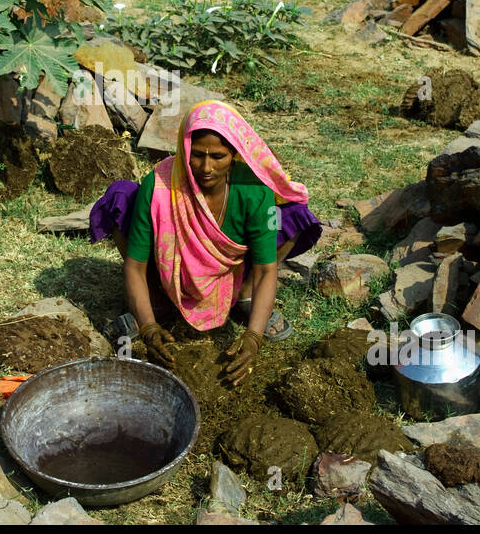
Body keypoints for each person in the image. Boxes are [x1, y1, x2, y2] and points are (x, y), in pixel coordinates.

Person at [90, 100, 321, 387]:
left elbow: (265, 270)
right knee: (121, 196)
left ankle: (244, 296)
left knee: (295, 213)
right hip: (168, 272)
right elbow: (135, 267)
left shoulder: (252, 191)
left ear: (234, 154)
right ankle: (158, 301)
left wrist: (253, 338)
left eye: (218, 156)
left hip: (232, 271)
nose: (206, 168)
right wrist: (149, 328)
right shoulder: (161, 186)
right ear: (184, 148)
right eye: (197, 155)